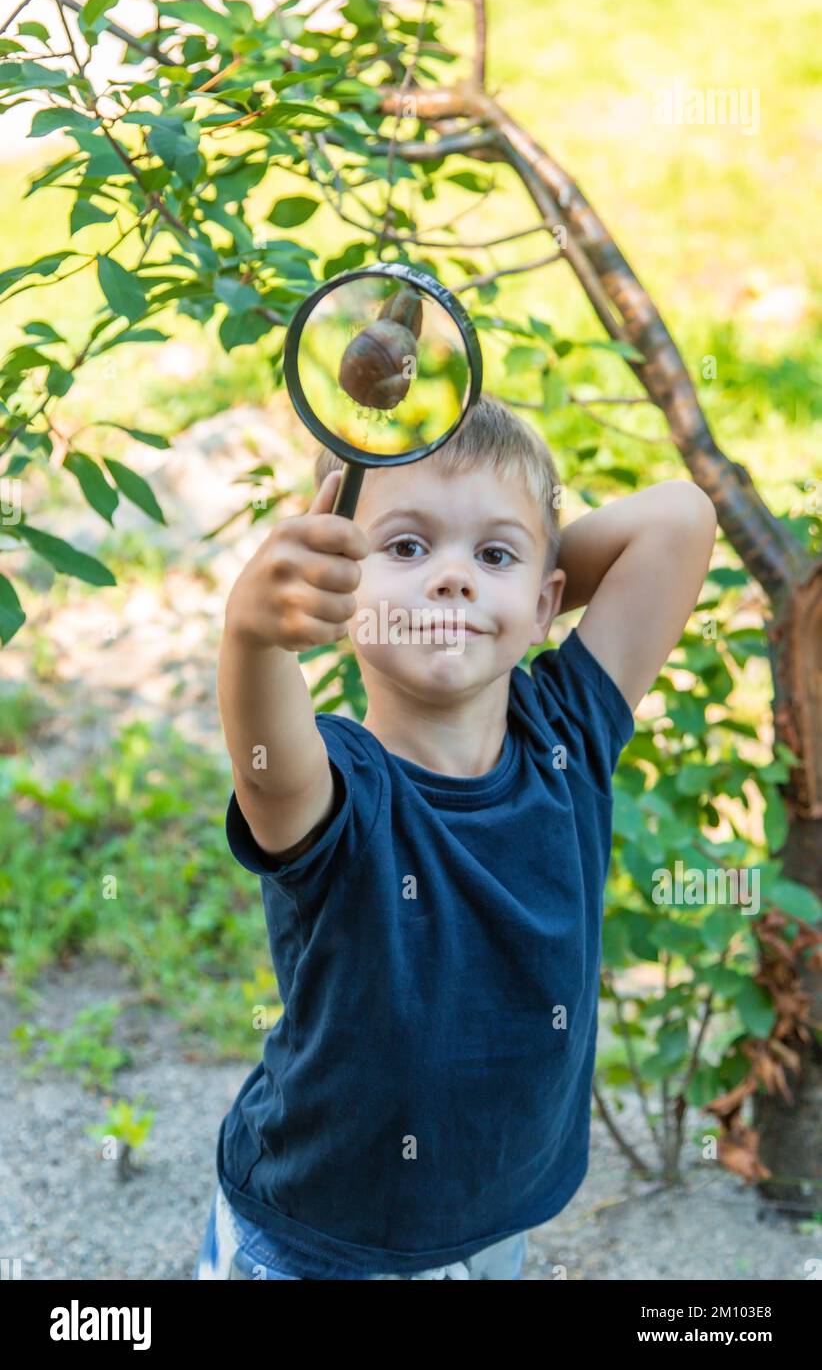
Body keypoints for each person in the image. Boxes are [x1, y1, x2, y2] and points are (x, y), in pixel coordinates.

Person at [195, 393, 717, 1280]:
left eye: (491, 555)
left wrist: (524, 585)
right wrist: (253, 636)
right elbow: (266, 765)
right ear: (338, 582)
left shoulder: (569, 731)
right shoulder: (340, 786)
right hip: (317, 1239)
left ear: (549, 596)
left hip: (491, 1223)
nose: (452, 577)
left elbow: (681, 518)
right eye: (405, 547)